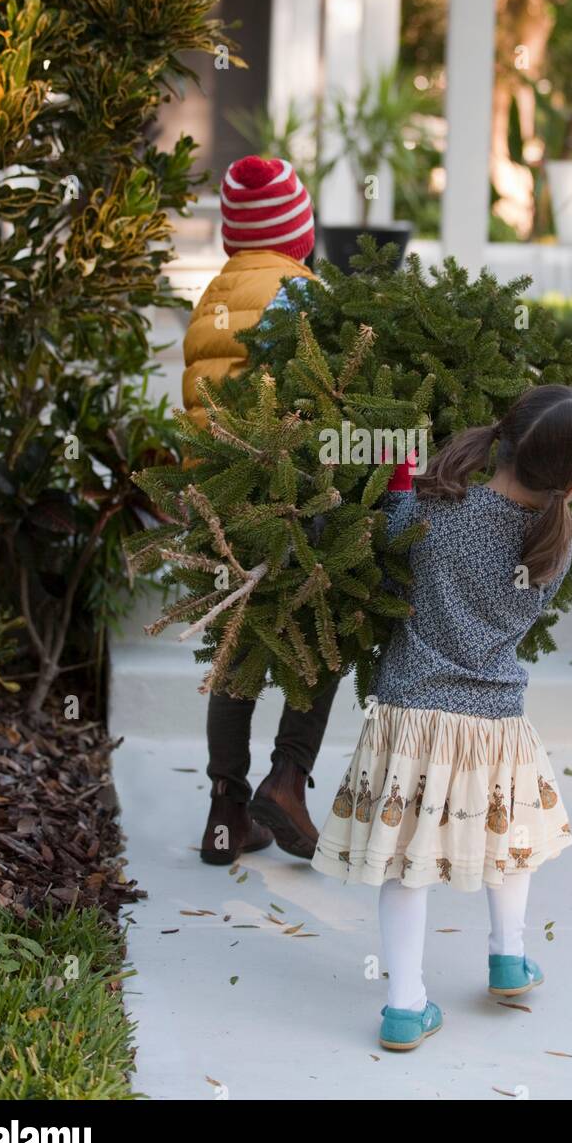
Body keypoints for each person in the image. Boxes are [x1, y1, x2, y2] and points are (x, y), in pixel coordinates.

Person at [312, 385, 572, 1051]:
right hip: (494, 724)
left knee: (401, 866)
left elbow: (391, 540)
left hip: (413, 715)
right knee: (510, 846)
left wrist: (400, 478)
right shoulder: (552, 545)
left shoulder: (437, 512)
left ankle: (404, 1005)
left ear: (505, 440)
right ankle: (509, 957)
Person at [182, 153, 338, 865]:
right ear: (299, 233)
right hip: (287, 503)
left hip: (217, 505)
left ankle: (224, 812)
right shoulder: (301, 295)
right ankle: (287, 778)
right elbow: (321, 399)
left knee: (236, 652)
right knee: (320, 636)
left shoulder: (211, 292)